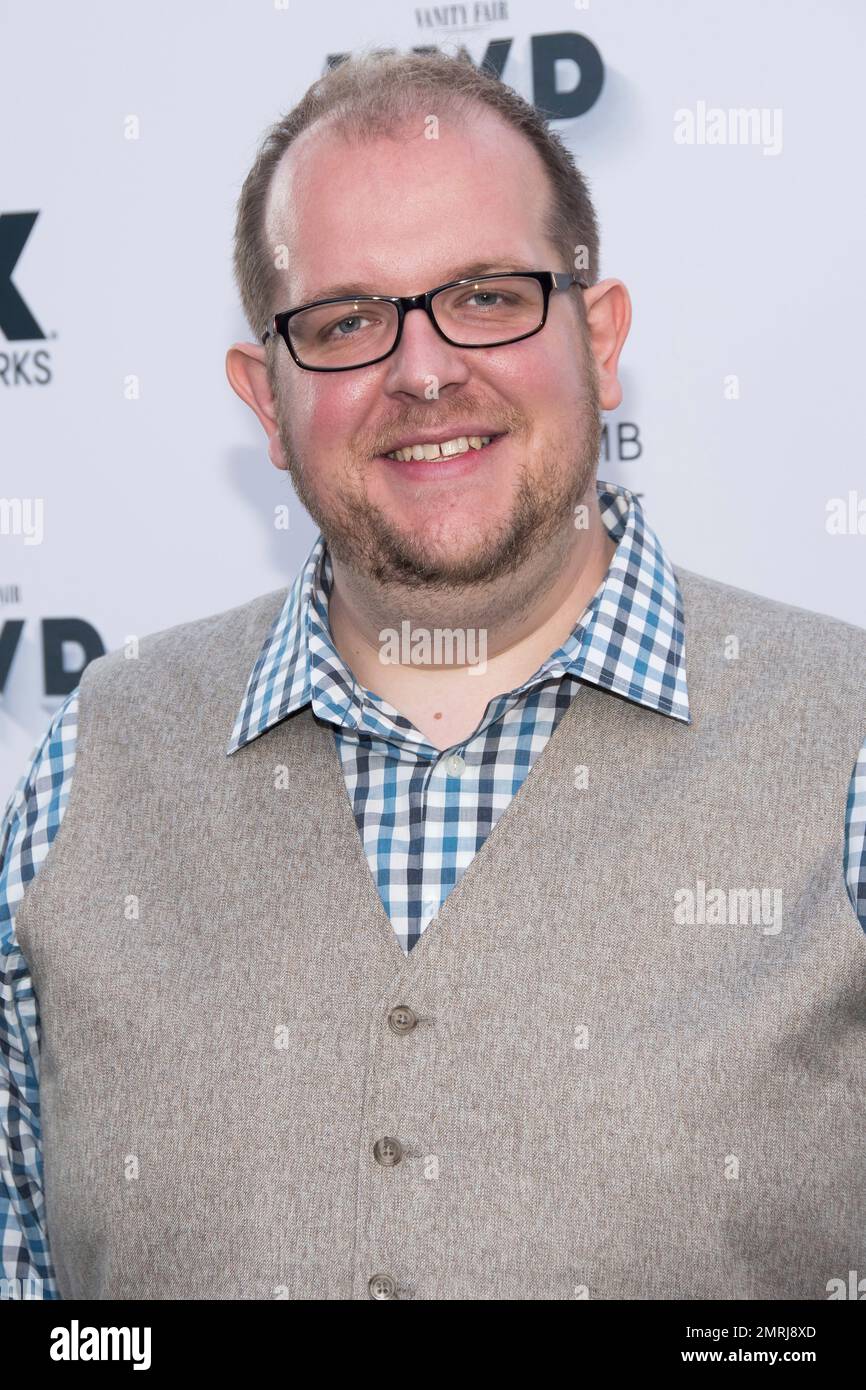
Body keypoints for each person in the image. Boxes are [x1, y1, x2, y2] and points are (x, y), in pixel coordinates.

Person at [2, 48, 864, 1303]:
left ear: (600, 338)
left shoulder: (842, 746)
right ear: (265, 398)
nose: (421, 371)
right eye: (346, 320)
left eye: (483, 295)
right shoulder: (98, 758)